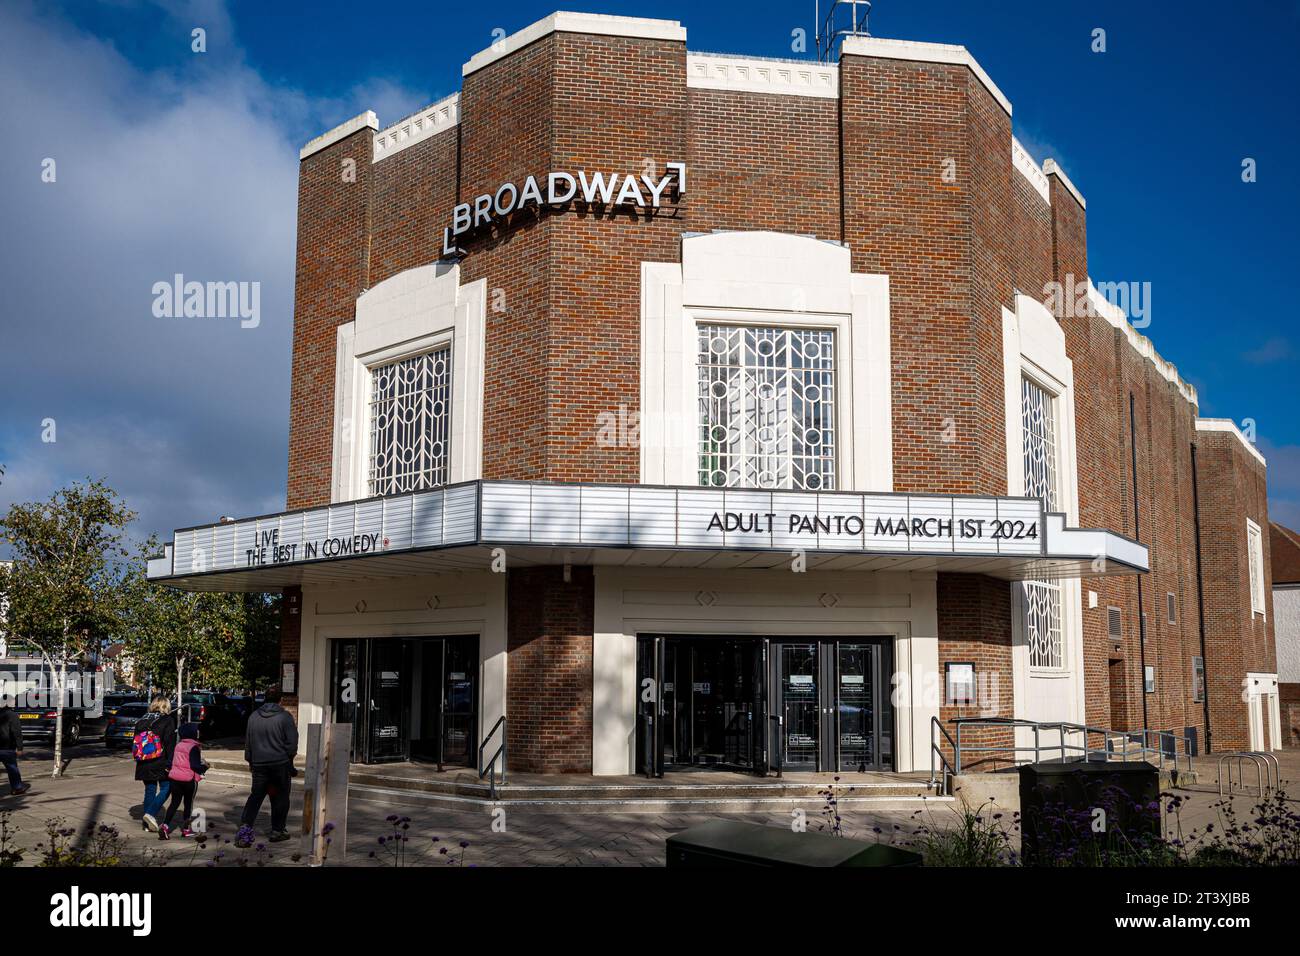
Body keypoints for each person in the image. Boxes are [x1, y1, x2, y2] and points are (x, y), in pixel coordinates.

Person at [240, 687, 298, 842]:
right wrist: (289, 758)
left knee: (255, 797)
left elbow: (248, 742)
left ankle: (245, 831)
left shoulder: (253, 717)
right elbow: (292, 744)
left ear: (265, 699)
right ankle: (277, 830)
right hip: (279, 763)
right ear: (281, 700)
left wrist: (250, 760)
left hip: (259, 764)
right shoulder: (285, 717)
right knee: (280, 797)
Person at [134, 695, 178, 832]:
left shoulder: (142, 719)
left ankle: (147, 825)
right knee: (167, 788)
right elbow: (170, 744)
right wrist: (170, 763)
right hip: (160, 760)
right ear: (165, 705)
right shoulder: (168, 720)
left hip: (143, 761)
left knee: (150, 790)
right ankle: (150, 814)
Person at [160, 722, 208, 839]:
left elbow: (170, 762)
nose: (198, 733)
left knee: (174, 803)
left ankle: (165, 826)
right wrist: (206, 766)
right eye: (196, 731)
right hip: (188, 780)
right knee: (188, 804)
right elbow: (195, 766)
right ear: (192, 733)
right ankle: (186, 830)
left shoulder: (178, 745)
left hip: (175, 779)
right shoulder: (194, 747)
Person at [0, 701, 31, 796]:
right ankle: (17, 788)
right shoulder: (12, 715)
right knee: (12, 768)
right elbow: (17, 732)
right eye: (13, 702)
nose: (15, 703)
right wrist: (20, 747)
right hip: (6, 747)